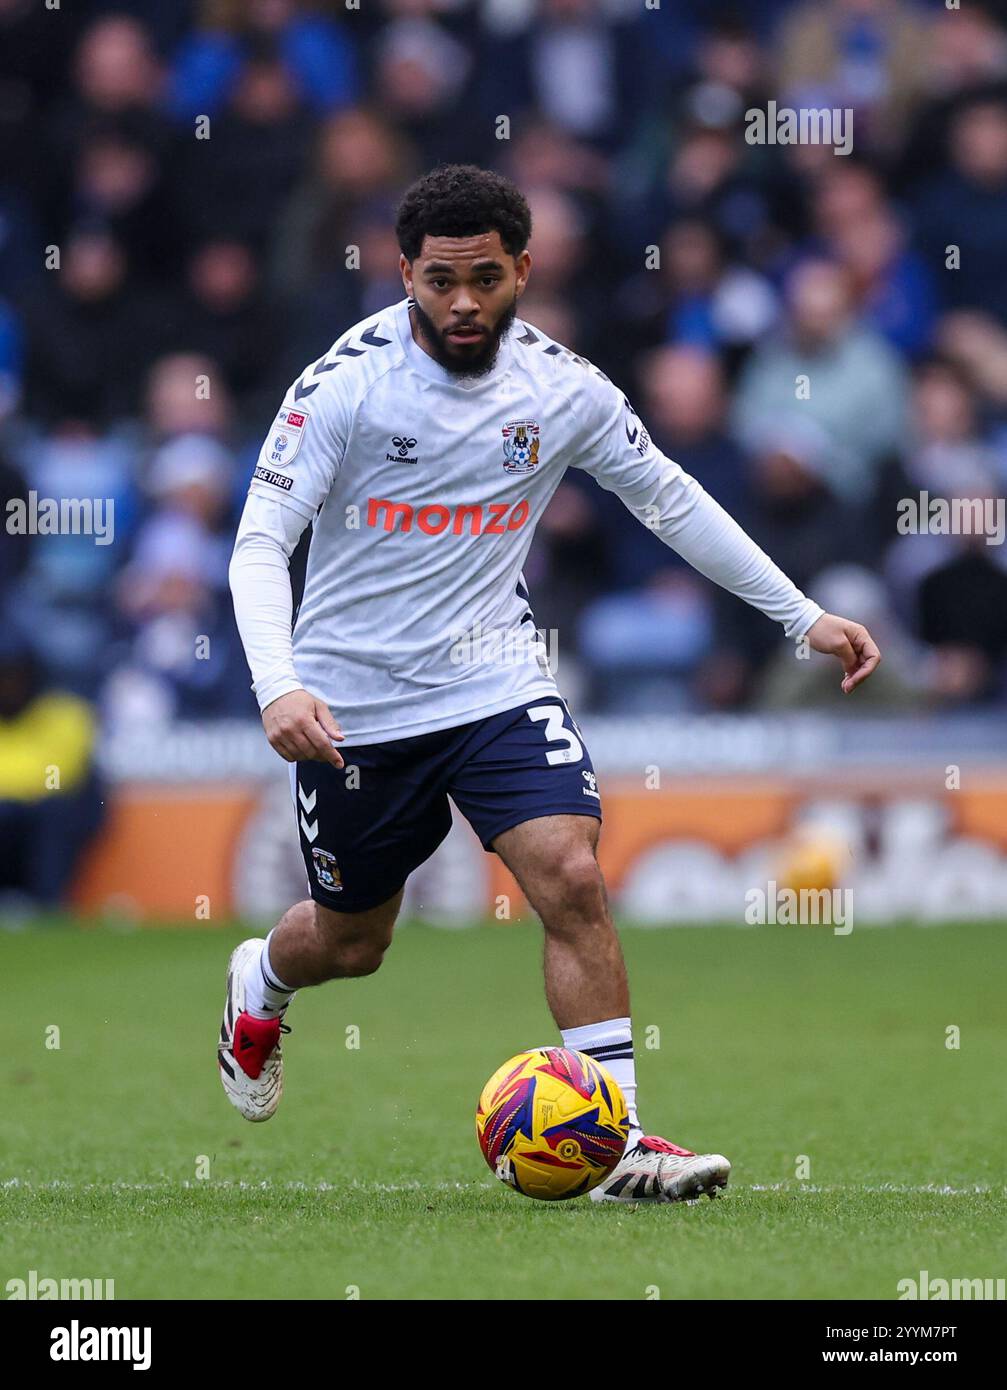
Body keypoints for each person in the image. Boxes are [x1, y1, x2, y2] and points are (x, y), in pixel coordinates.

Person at [223, 165, 880, 1203]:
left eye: (485, 277)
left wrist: (799, 615)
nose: (462, 303)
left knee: (570, 874)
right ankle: (260, 981)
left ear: (523, 268)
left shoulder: (563, 390)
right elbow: (260, 542)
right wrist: (277, 685)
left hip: (492, 681)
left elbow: (667, 498)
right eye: (438, 280)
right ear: (403, 273)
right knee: (351, 942)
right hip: (354, 706)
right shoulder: (342, 385)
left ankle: (615, 1141)